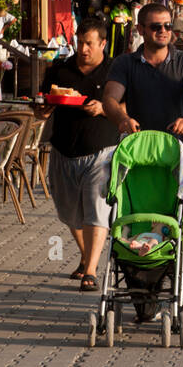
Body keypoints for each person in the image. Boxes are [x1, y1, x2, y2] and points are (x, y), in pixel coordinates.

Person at [39, 15, 121, 291]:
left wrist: (105, 108)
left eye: (88, 43)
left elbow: (128, 106)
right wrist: (44, 107)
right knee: (68, 212)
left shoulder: (116, 72)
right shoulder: (60, 70)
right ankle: (86, 255)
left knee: (97, 210)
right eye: (79, 42)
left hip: (102, 150)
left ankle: (91, 271)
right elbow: (43, 101)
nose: (82, 49)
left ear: (103, 44)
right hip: (63, 150)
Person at [103, 3, 183, 139]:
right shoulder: (124, 62)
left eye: (168, 26)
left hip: (174, 148)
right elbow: (109, 99)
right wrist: (123, 119)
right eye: (155, 27)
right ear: (140, 29)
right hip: (137, 148)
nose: (163, 30)